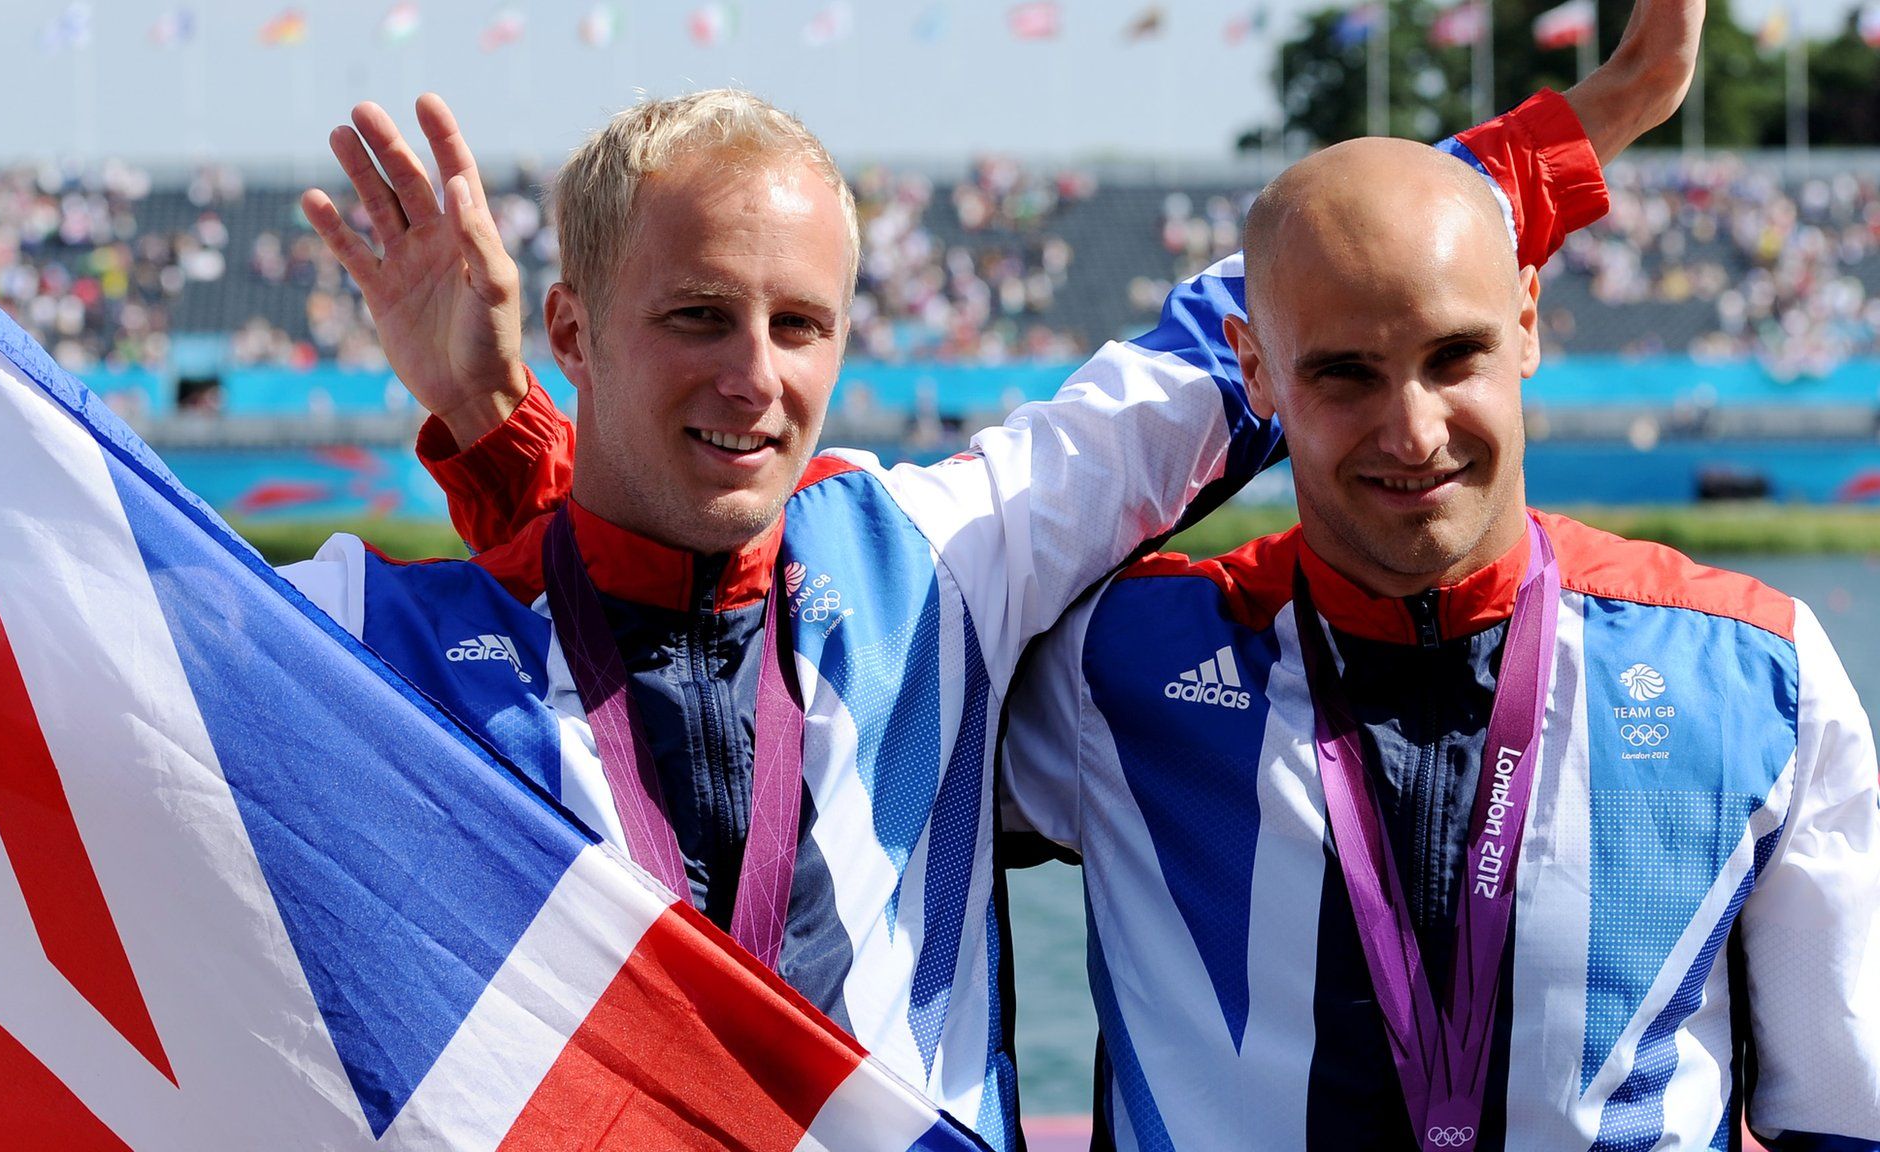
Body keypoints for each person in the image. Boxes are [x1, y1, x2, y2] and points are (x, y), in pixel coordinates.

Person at [285, 16, 1697, 1141]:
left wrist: (1586, 127)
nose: (756, 376)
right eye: (698, 317)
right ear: (573, 329)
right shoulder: (377, 637)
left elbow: (1244, 335)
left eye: (799, 323)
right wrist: (492, 433)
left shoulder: (939, 557)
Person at [997, 93, 1880, 1152]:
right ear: (1254, 366)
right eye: (1342, 373)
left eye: (1453, 355)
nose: (1411, 433)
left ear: (1526, 324)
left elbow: (1846, 1122)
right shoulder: (1117, 670)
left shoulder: (1753, 672)